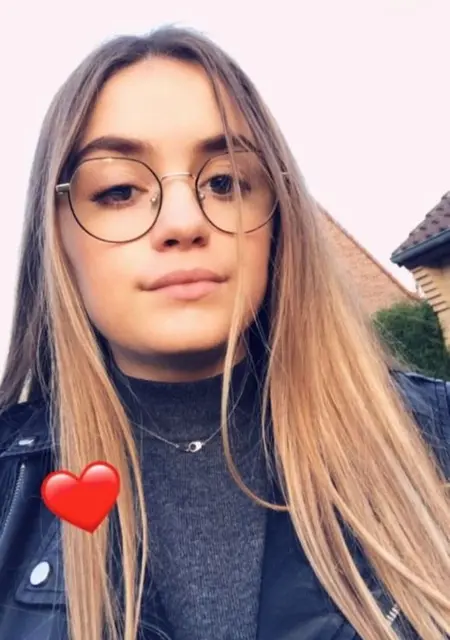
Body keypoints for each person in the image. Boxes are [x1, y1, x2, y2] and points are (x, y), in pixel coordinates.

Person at [0, 25, 449, 640]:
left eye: (225, 182)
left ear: (277, 219)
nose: (184, 222)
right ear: (57, 240)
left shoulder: (433, 439)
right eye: (120, 190)